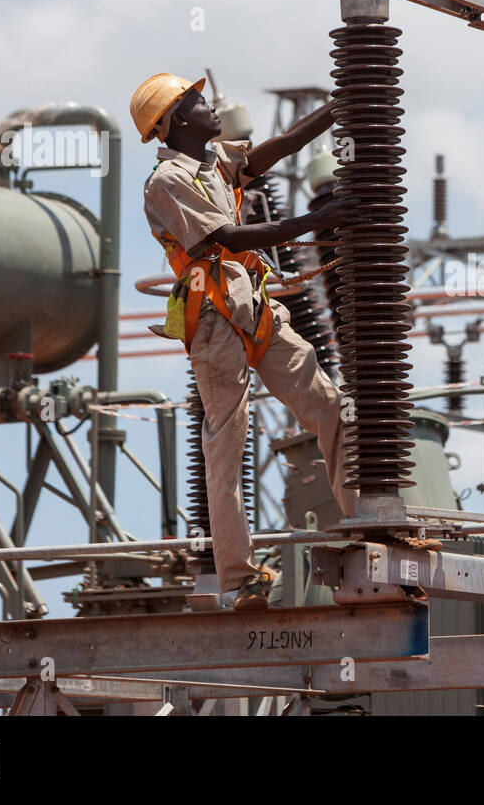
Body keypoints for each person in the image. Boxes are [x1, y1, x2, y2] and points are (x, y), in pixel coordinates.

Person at [130, 73, 358, 610]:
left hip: (255, 309)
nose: (212, 108)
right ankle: (239, 577)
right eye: (199, 101)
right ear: (177, 119)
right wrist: (316, 221)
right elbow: (226, 239)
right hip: (212, 323)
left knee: (330, 407)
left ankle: (364, 521)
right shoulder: (167, 181)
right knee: (227, 446)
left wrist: (337, 108)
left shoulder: (215, 163)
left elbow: (274, 150)